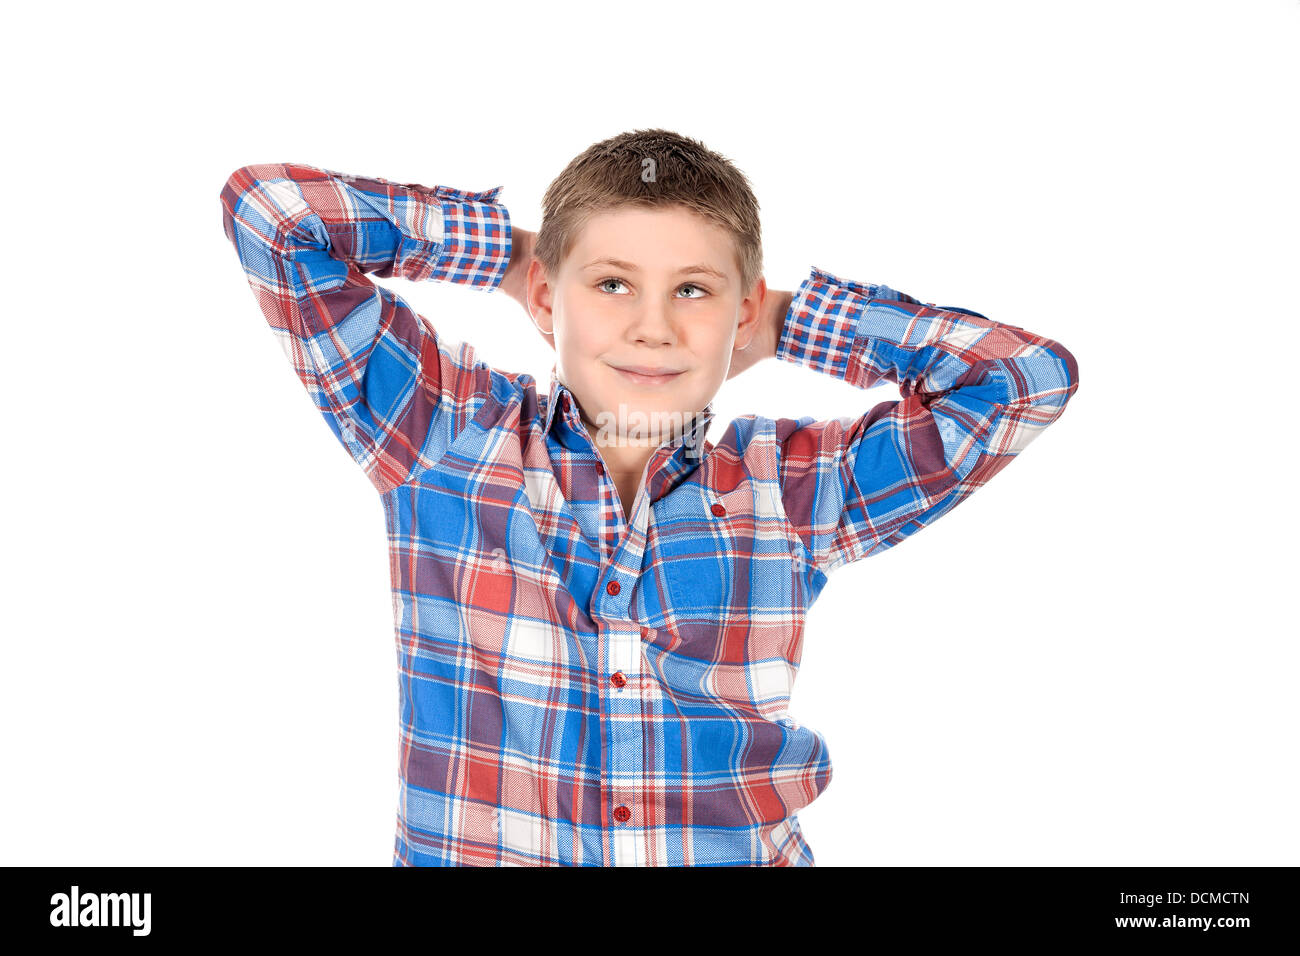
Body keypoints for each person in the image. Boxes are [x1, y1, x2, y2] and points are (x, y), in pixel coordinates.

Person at [218, 128, 1079, 866]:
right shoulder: (443, 433)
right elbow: (274, 213)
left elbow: (1022, 381)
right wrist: (516, 261)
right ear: (553, 298)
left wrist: (782, 319)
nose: (653, 327)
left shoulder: (795, 486)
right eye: (612, 283)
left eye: (693, 292)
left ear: (739, 316)